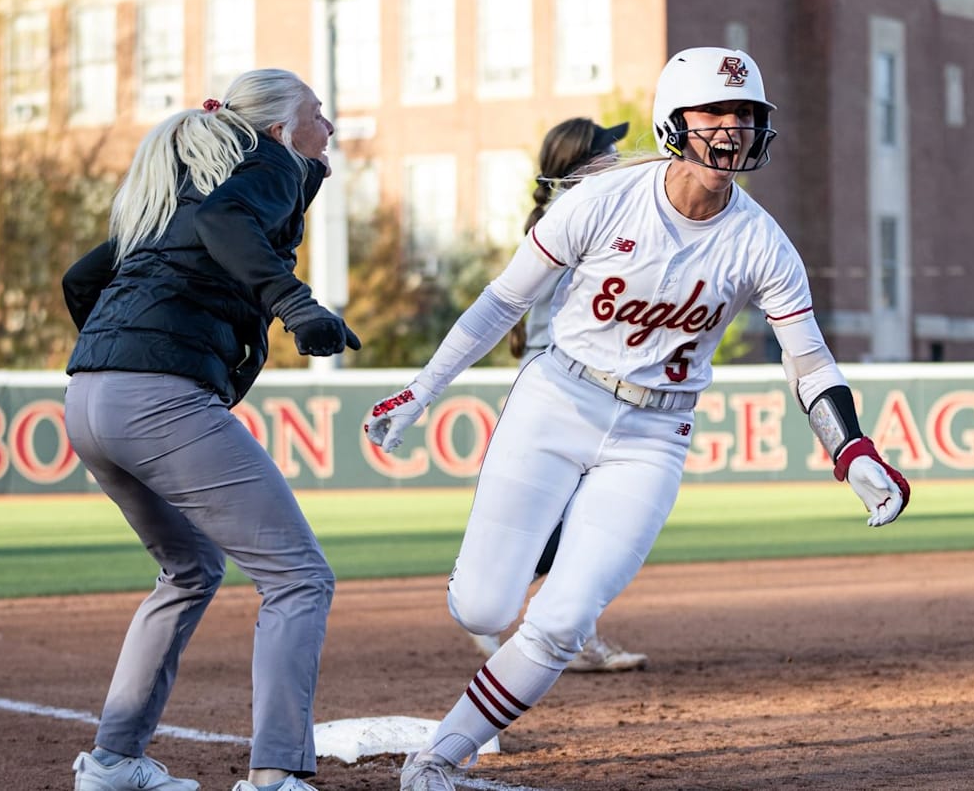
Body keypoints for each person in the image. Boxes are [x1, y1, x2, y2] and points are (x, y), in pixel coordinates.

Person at [364, 47, 911, 791]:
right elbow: (503, 301)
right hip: (557, 399)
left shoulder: (762, 243)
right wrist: (422, 390)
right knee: (484, 603)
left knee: (560, 625)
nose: (732, 131)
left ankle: (438, 758)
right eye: (714, 115)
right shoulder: (602, 199)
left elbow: (809, 362)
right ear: (673, 123)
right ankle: (480, 625)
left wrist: (853, 452)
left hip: (656, 435)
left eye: (746, 116)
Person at [62, 68, 358, 791]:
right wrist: (297, 305)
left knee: (189, 569)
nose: (330, 127)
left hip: (88, 398)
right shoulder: (271, 163)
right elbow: (227, 227)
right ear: (281, 129)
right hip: (158, 401)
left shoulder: (166, 205)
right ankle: (276, 775)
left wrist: (126, 357)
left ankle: (112, 763)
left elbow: (80, 280)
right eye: (318, 114)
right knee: (298, 577)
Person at [468, 116, 648, 674]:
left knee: (576, 520)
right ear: (581, 166)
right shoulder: (568, 223)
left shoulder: (570, 217)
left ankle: (531, 614)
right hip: (559, 388)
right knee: (578, 521)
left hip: (561, 384)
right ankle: (512, 609)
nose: (617, 159)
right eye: (608, 152)